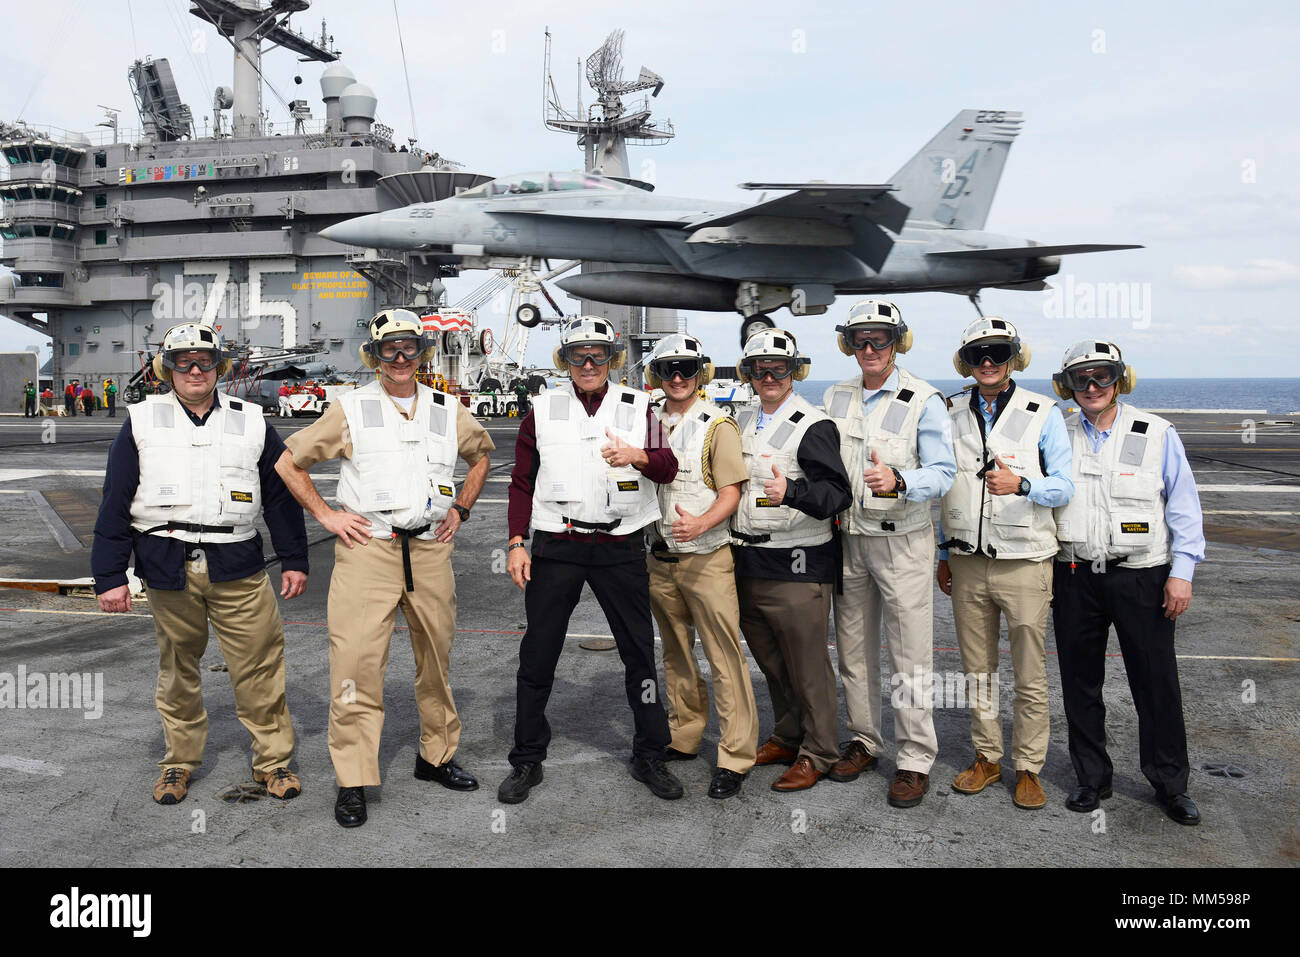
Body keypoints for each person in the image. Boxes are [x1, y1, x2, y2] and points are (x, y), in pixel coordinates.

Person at [276, 309, 494, 828]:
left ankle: (435, 756)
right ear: (374, 358)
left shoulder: (447, 409)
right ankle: (353, 779)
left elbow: (482, 455)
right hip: (367, 550)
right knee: (355, 666)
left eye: (409, 349)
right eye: (389, 350)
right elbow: (289, 462)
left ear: (424, 354)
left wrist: (461, 508)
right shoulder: (351, 408)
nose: (400, 359)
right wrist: (327, 515)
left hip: (430, 552)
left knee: (436, 660)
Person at [91, 321, 309, 806]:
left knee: (259, 666)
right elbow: (116, 501)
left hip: (239, 563)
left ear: (219, 367)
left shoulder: (251, 420)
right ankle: (178, 764)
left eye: (204, 361)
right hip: (167, 564)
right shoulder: (142, 419)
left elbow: (279, 496)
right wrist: (109, 576)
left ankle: (273, 763)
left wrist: (294, 558)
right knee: (178, 669)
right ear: (166, 368)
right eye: (183, 361)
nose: (194, 369)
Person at [499, 316, 681, 804]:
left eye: (597, 354)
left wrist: (638, 456)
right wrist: (517, 542)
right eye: (577, 355)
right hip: (558, 544)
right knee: (538, 654)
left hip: (620, 543)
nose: (587, 363)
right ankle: (527, 758)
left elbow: (667, 468)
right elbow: (521, 481)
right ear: (565, 360)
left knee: (639, 653)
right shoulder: (542, 408)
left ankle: (650, 753)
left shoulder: (640, 406)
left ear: (612, 359)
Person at [1050, 341, 1205, 824]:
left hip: (1142, 575)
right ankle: (1091, 779)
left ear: (1121, 380)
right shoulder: (1055, 430)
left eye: (1102, 377)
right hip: (1075, 574)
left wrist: (1182, 573)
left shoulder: (1156, 432)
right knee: (1080, 683)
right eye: (1081, 379)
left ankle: (1170, 784)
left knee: (1156, 683)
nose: (1092, 387)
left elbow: (1183, 505)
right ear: (1068, 385)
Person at [936, 317, 1074, 810]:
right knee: (978, 671)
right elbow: (944, 483)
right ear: (966, 363)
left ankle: (1029, 767)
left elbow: (1065, 484)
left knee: (1029, 674)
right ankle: (988, 757)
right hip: (968, 561)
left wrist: (1024, 485)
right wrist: (943, 551)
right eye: (978, 355)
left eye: (998, 353)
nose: (988, 363)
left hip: (1024, 562)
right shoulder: (949, 410)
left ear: (1015, 357)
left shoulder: (1044, 412)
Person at [823, 300, 956, 808]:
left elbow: (944, 472)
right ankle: (864, 741)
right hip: (850, 538)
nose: (870, 348)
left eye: (880, 339)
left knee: (910, 655)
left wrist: (901, 479)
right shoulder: (836, 396)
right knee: (853, 650)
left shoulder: (924, 398)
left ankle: (915, 757)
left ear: (897, 342)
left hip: (903, 541)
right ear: (849, 345)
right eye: (860, 339)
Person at [730, 329, 851, 792]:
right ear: (749, 373)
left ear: (794, 371)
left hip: (798, 565)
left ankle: (819, 751)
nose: (768, 376)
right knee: (772, 663)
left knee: (807, 666)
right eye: (759, 369)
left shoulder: (812, 424)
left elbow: (838, 493)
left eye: (778, 367)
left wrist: (793, 492)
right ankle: (787, 734)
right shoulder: (740, 421)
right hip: (749, 562)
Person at [643, 333, 759, 799]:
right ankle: (685, 735)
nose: (677, 377)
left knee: (724, 658)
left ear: (700, 373)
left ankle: (735, 756)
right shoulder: (647, 421)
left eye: (686, 369)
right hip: (660, 559)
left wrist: (702, 524)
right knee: (676, 655)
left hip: (707, 558)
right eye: (668, 368)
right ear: (656, 374)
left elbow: (732, 491)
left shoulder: (718, 425)